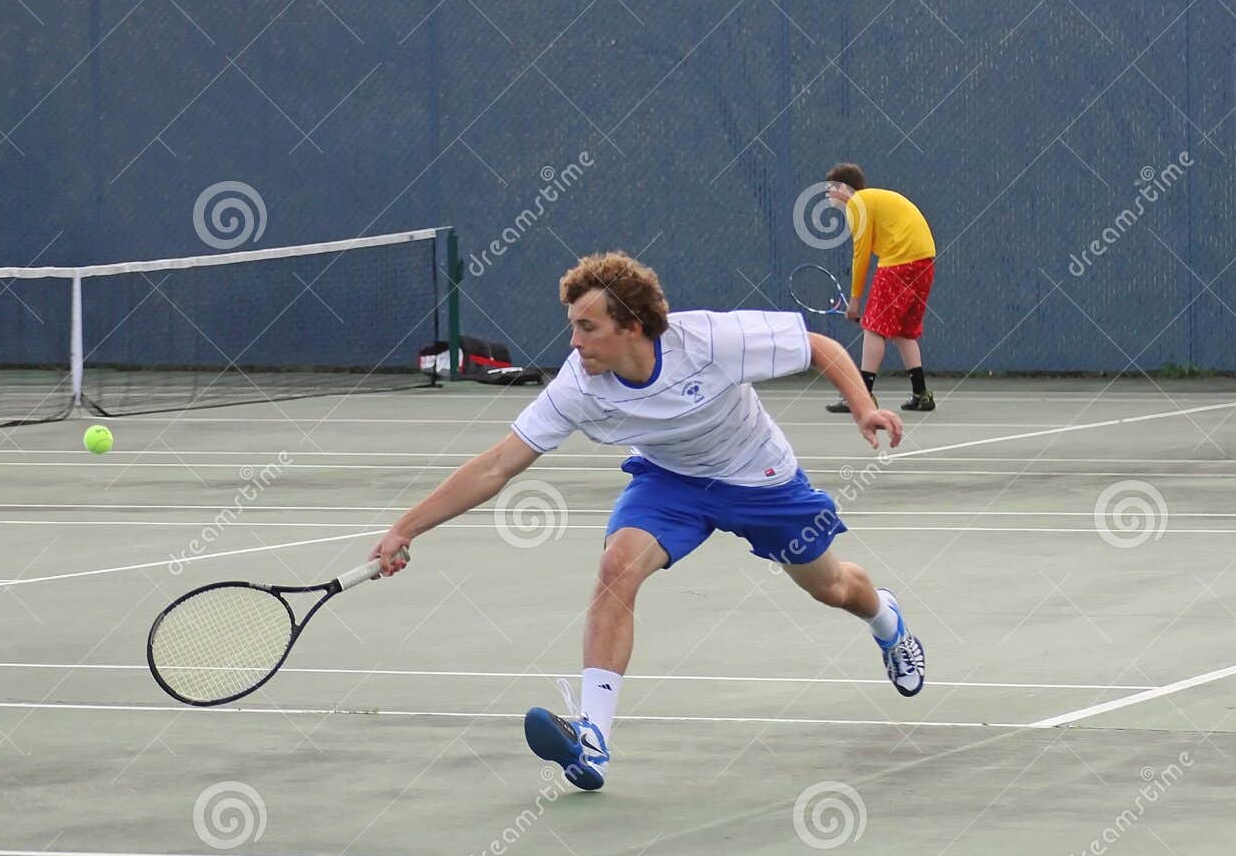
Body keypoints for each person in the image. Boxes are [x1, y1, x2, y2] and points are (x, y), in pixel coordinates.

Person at [368, 251, 926, 791]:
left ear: (631, 326)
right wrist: (406, 528)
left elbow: (819, 346)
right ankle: (592, 738)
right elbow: (496, 467)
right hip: (670, 484)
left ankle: (886, 619)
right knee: (616, 566)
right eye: (573, 326)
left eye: (587, 327)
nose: (574, 341)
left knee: (832, 588)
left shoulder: (708, 340)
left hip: (759, 477)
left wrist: (863, 408)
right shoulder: (578, 385)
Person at [821, 163, 938, 414]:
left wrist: (854, 300)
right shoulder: (871, 200)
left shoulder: (856, 204)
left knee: (874, 329)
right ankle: (921, 394)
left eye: (831, 188)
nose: (827, 194)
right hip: (924, 262)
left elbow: (860, 255)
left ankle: (863, 395)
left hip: (900, 263)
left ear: (844, 188)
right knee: (904, 332)